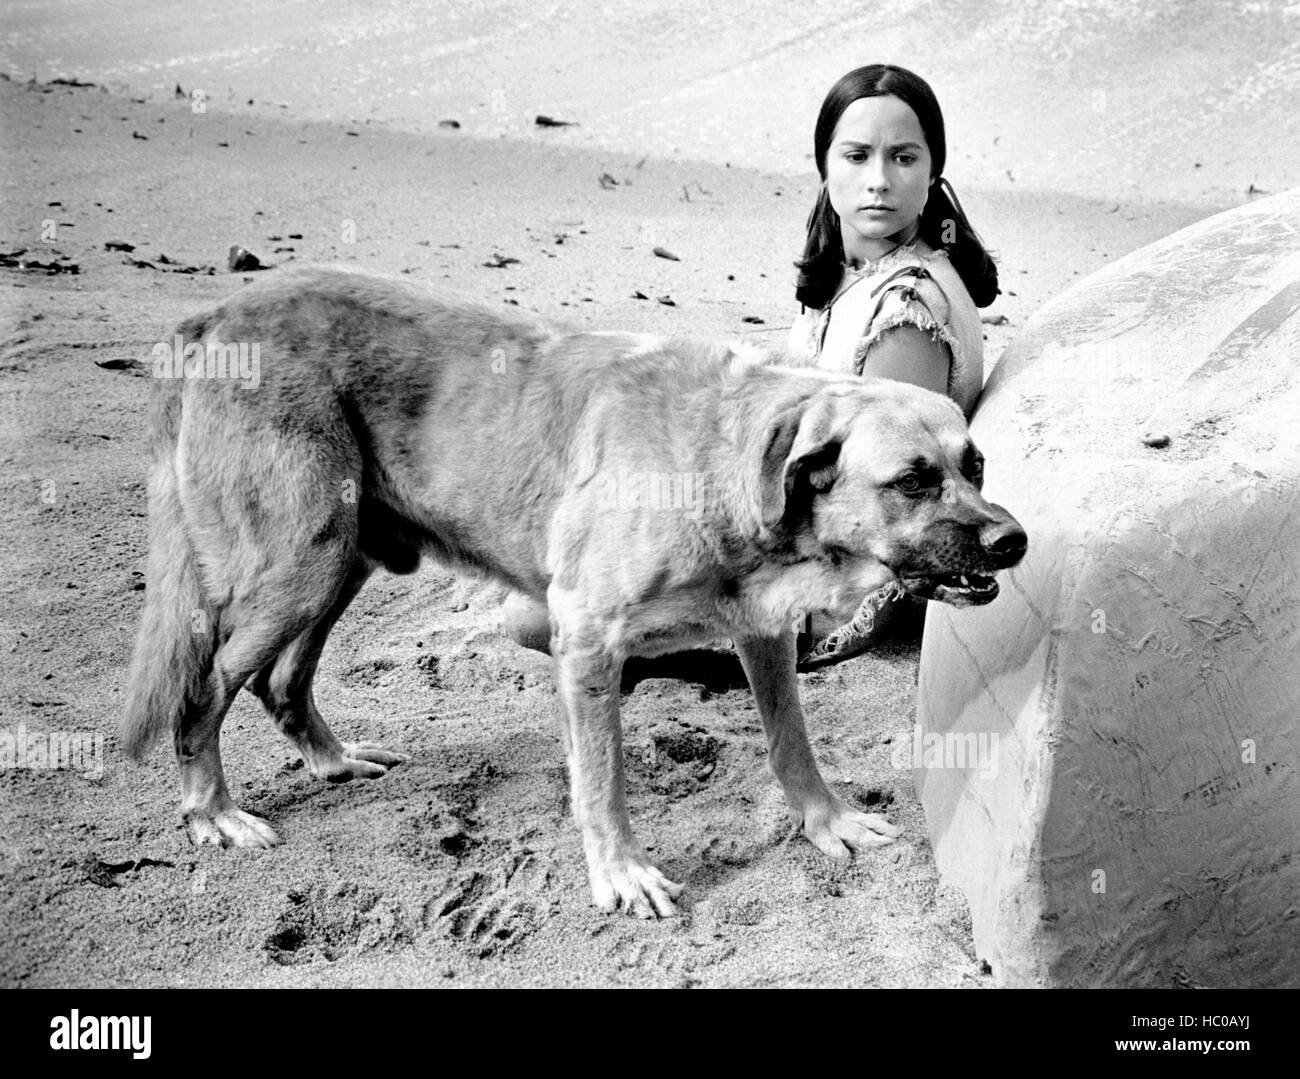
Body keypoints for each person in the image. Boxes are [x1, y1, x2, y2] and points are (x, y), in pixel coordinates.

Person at [788, 63, 999, 670]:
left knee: (540, 618)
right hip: (823, 528)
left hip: (848, 580)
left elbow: (900, 506)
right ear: (824, 165)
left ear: (934, 173)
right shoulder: (855, 274)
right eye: (856, 156)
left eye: (903, 158)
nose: (877, 180)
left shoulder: (904, 314)